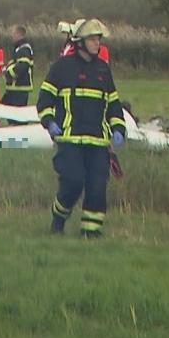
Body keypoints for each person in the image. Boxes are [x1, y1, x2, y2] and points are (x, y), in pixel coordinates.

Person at [37, 19, 125, 238]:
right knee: (73, 182)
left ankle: (91, 233)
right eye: (92, 39)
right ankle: (58, 220)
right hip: (70, 139)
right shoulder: (61, 67)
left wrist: (118, 129)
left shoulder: (103, 70)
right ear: (80, 42)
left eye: (98, 39)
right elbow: (44, 100)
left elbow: (113, 105)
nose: (97, 43)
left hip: (98, 141)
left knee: (97, 187)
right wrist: (49, 122)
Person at [0, 25, 34, 109]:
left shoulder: (24, 49)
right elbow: (15, 63)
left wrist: (8, 73)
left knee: (14, 114)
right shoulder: (19, 48)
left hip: (19, 89)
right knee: (2, 109)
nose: (12, 36)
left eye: (13, 33)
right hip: (14, 88)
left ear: (18, 34)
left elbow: (22, 66)